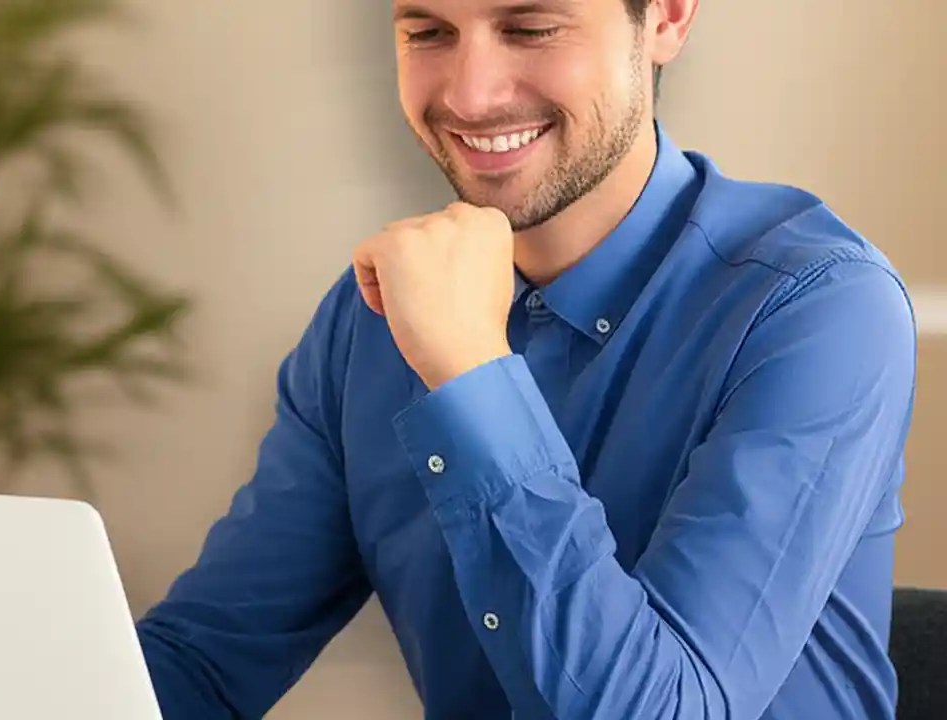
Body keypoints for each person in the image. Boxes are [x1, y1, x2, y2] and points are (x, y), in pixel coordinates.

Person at [136, 0, 917, 717]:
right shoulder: (370, 317)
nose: (471, 96)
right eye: (427, 33)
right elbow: (204, 660)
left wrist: (471, 374)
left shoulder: (817, 309)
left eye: (532, 28)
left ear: (669, 19)